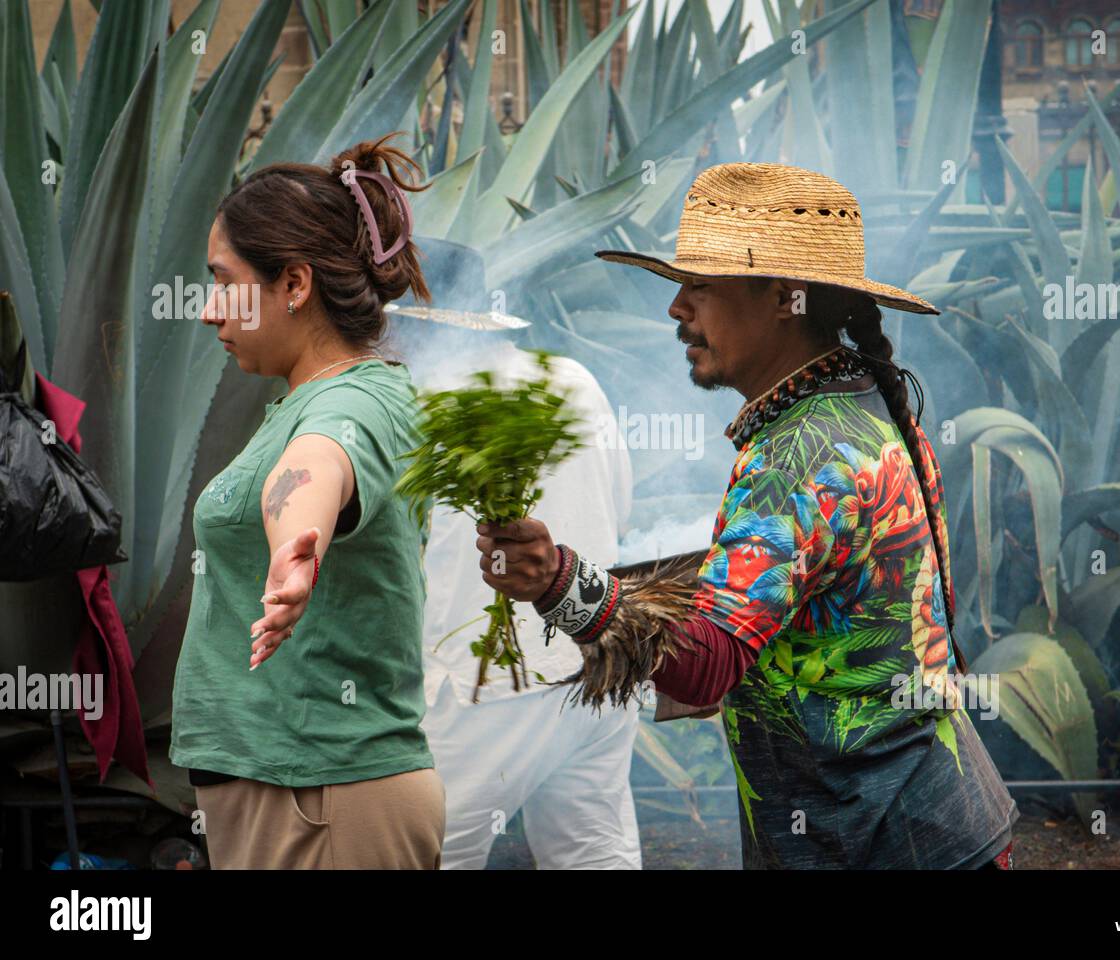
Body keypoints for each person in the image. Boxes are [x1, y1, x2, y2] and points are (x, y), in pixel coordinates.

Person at [472, 162, 1019, 869]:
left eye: (699, 285)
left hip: (880, 842)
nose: (676, 309)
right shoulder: (858, 403)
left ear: (783, 299)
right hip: (932, 827)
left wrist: (558, 583)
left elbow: (704, 668)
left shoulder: (798, 452)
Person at [169, 134, 444, 869]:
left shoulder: (362, 398)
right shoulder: (301, 401)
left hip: (324, 800)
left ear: (294, 284)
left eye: (224, 281)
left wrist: (298, 545)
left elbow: (319, 466)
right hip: (289, 796)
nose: (206, 311)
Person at [385, 240, 642, 869]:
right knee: (594, 854)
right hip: (601, 667)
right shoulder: (571, 378)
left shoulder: (425, 404)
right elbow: (621, 506)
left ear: (410, 325)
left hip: (488, 692)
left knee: (432, 857)